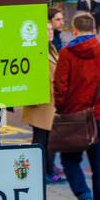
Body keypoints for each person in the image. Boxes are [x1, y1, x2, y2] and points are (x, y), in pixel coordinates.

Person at [53, 10, 100, 200]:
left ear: (74, 31)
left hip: (74, 117)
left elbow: (60, 87)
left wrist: (62, 108)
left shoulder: (67, 53)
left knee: (69, 161)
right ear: (95, 30)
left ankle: (84, 195)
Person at [21, 16, 65, 183]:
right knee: (41, 139)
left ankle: (48, 172)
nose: (49, 33)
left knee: (49, 140)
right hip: (42, 102)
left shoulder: (51, 49)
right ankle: (41, 174)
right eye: (46, 30)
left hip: (51, 102)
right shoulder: (37, 51)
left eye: (50, 30)